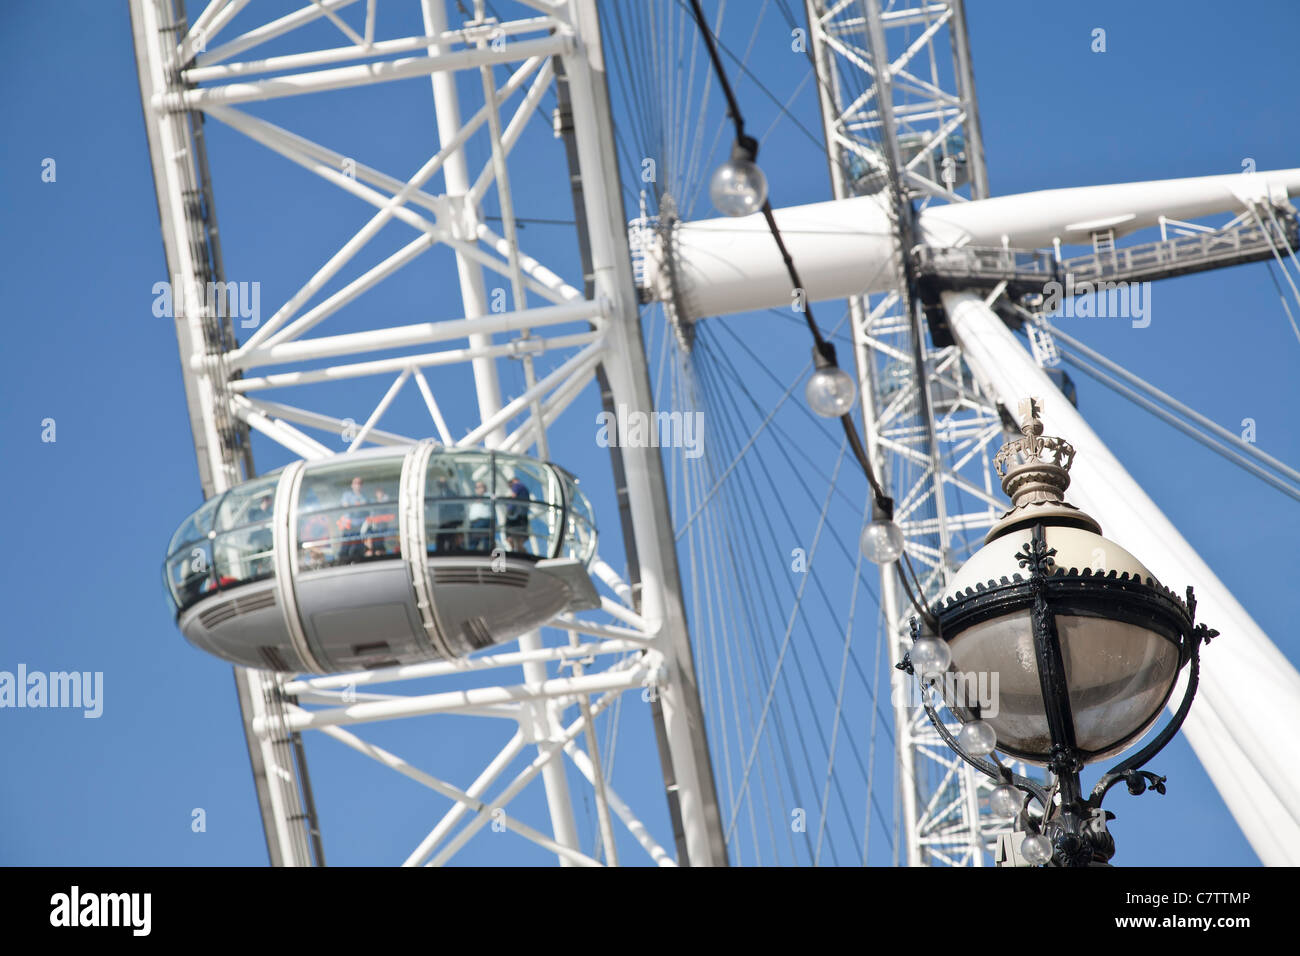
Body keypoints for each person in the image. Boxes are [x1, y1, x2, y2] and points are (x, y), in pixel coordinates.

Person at [338, 476, 368, 564]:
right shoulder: (347, 495)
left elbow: (365, 509)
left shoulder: (364, 497)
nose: (357, 485)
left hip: (360, 526)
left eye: (359, 483)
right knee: (345, 547)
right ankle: (342, 562)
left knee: (358, 547)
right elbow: (345, 505)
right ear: (352, 485)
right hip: (349, 525)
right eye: (355, 483)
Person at [505, 476, 531, 553]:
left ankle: (513, 553)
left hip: (516, 516)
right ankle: (521, 553)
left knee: (510, 538)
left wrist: (509, 508)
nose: (510, 486)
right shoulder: (525, 490)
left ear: (515, 480)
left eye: (510, 484)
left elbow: (513, 496)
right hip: (522, 516)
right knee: (519, 540)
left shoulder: (517, 485)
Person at [466, 480, 492, 552]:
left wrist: (477, 498)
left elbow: (480, 500)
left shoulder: (488, 495)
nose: (477, 489)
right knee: (472, 543)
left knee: (485, 543)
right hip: (473, 522)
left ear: (485, 488)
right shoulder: (475, 497)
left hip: (483, 521)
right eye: (476, 487)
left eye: (480, 487)